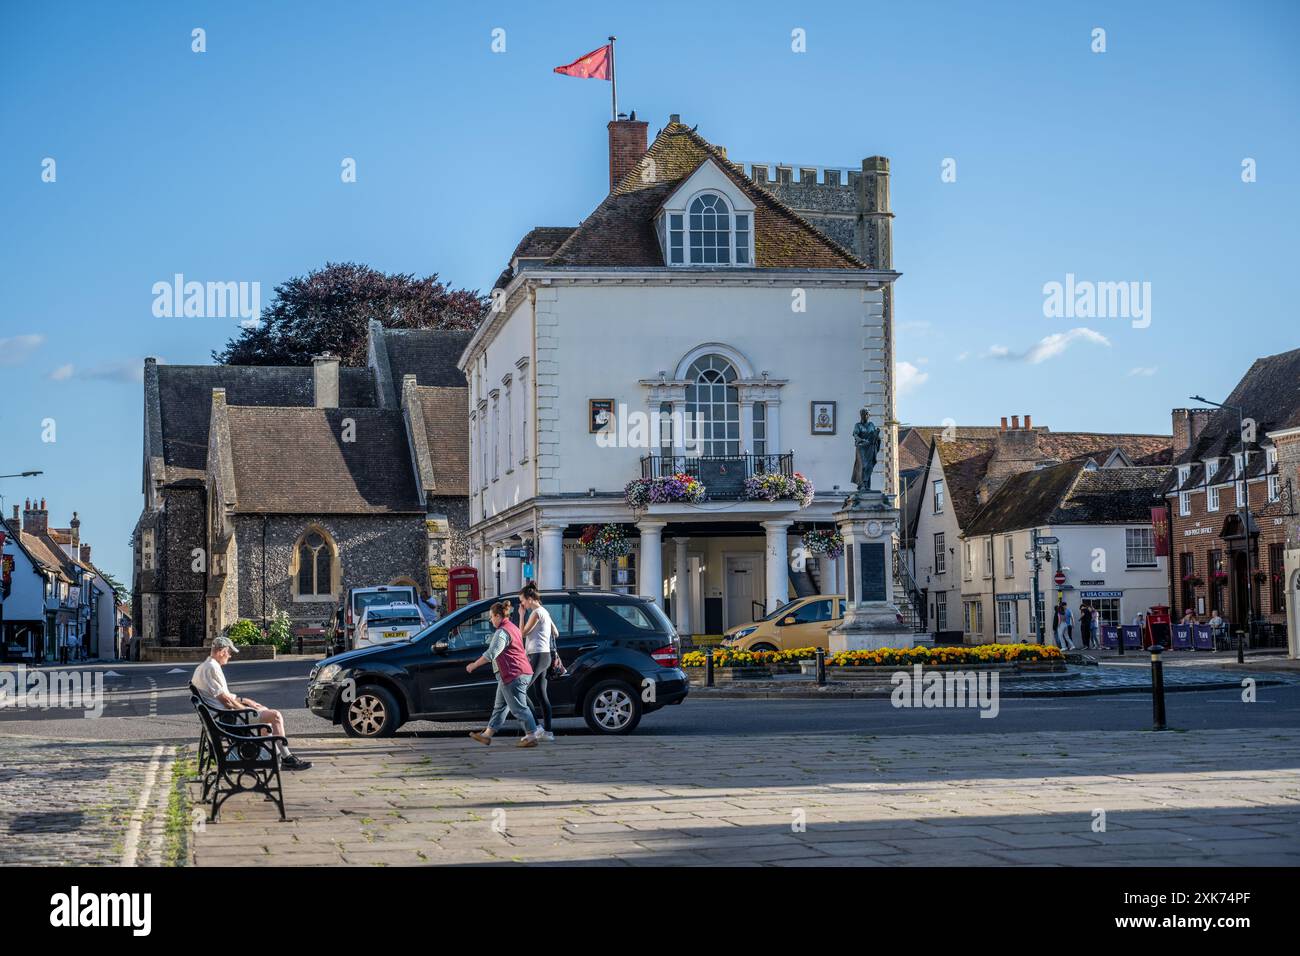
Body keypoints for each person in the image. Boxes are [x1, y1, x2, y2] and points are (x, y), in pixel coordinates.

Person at [192, 636, 312, 770]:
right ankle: (286, 757)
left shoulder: (204, 667)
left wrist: (246, 701)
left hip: (220, 716)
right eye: (229, 652)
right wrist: (245, 709)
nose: (230, 656)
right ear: (221, 651)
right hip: (226, 719)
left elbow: (224, 696)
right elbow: (225, 700)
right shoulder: (211, 668)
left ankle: (276, 755)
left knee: (265, 712)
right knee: (275, 716)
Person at [466, 601, 539, 748]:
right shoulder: (512, 627)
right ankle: (487, 735)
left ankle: (531, 735)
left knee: (519, 708)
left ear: (498, 616)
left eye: (491, 617)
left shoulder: (502, 632)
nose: (490, 620)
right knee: (500, 707)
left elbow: (491, 654)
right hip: (515, 672)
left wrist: (474, 665)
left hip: (513, 673)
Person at [519, 584, 557, 742]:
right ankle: (548, 732)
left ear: (529, 599)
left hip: (537, 655)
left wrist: (521, 616)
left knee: (521, 690)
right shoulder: (545, 612)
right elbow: (556, 633)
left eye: (522, 601)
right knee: (541, 694)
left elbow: (522, 633)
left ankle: (536, 727)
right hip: (545, 655)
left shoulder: (535, 613)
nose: (522, 605)